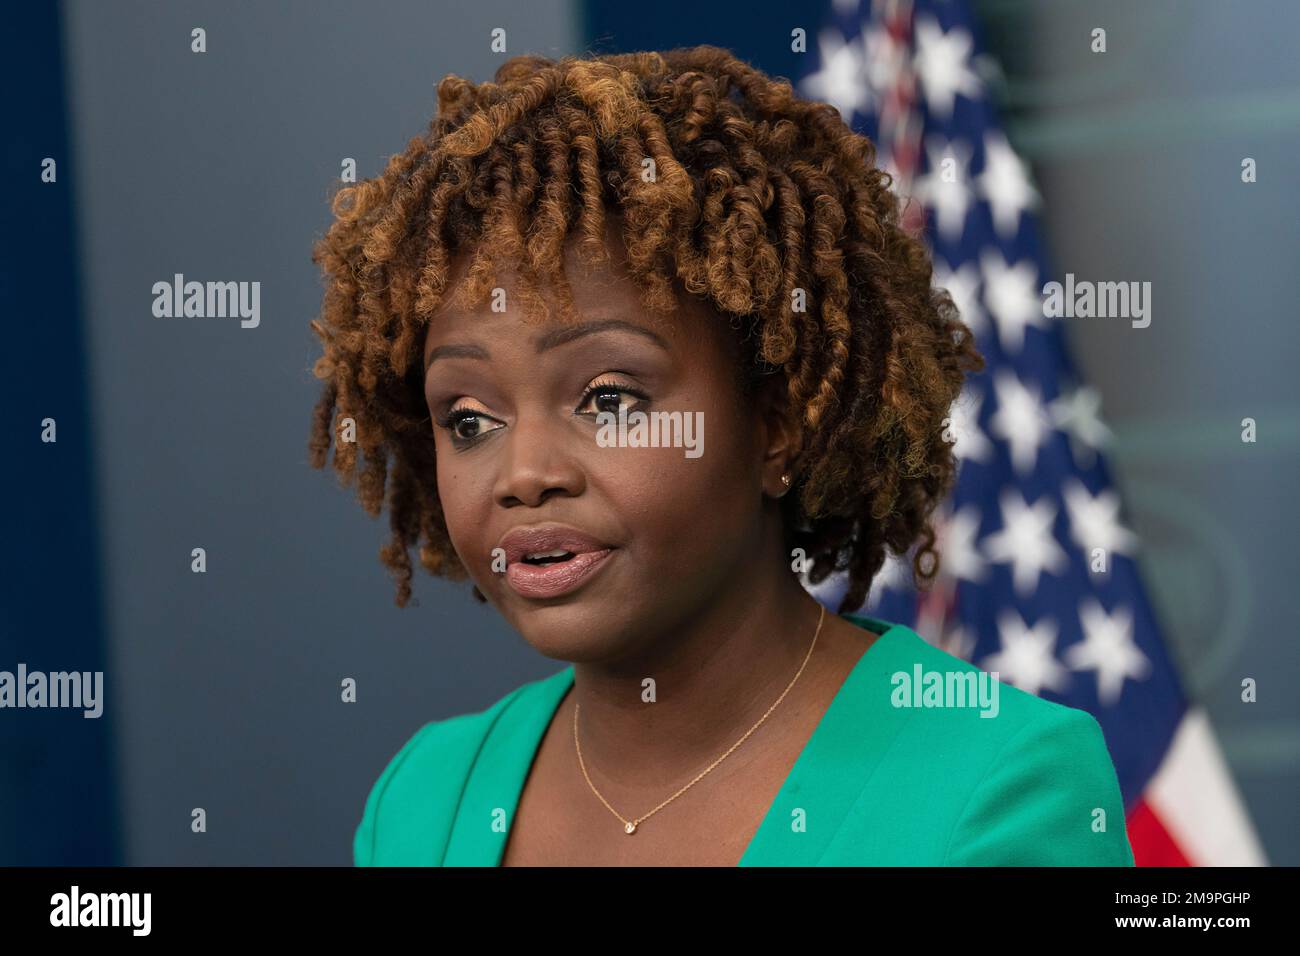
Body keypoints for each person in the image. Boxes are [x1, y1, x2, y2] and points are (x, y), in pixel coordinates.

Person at [307, 45, 1133, 866]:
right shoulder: (424, 801)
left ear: (776, 421)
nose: (524, 475)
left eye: (609, 400)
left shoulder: (996, 785)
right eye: (469, 418)